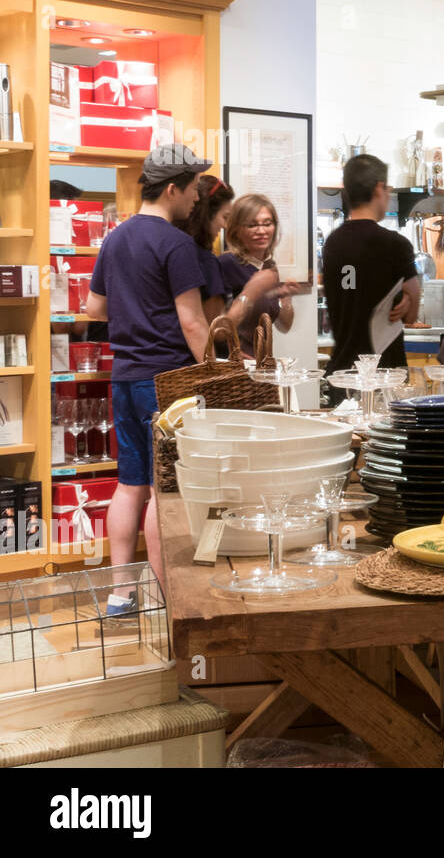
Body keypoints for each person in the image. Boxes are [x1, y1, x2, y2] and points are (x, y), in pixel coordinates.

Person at [85, 144, 211, 602]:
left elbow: (93, 306)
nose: (198, 197)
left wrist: (134, 305)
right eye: (194, 187)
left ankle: (120, 593)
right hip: (167, 383)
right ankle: (164, 597)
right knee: (166, 493)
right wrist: (216, 375)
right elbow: (193, 322)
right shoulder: (176, 244)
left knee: (129, 483)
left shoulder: (115, 237)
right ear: (173, 188)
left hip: (124, 377)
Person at [322, 155, 420, 383]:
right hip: (385, 373)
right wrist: (405, 300)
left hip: (342, 372)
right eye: (387, 189)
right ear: (379, 188)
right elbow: (412, 315)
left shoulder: (332, 242)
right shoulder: (395, 244)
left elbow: (350, 292)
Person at [219, 194, 302, 357]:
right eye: (252, 225)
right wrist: (250, 293)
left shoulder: (270, 267)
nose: (261, 231)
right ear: (236, 230)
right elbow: (218, 331)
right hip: (233, 368)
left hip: (260, 366)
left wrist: (286, 298)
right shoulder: (225, 264)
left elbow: (285, 325)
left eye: (267, 224)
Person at [177, 175, 235, 323]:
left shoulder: (173, 250)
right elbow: (217, 329)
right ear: (206, 215)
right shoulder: (205, 262)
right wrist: (250, 294)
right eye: (224, 217)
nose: (225, 226)